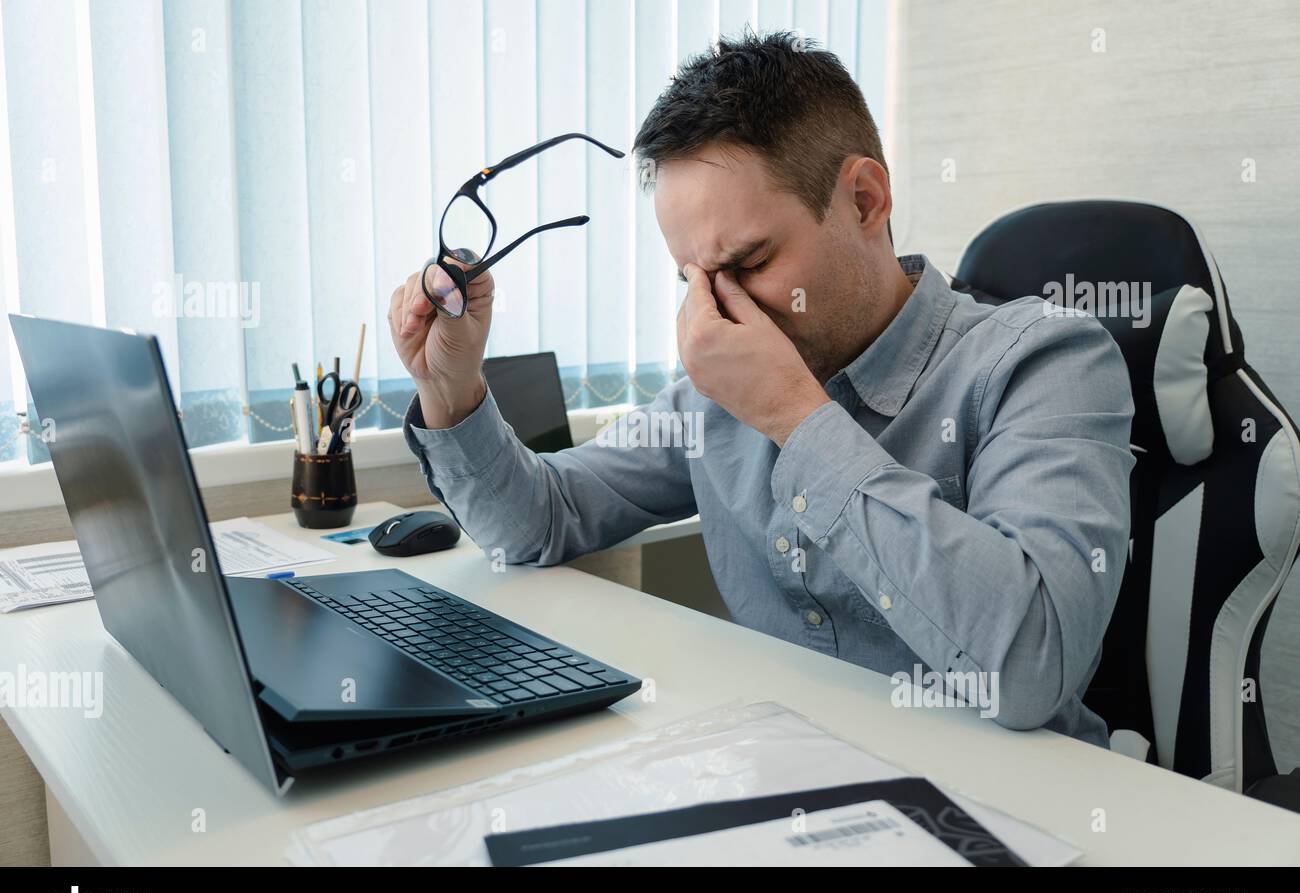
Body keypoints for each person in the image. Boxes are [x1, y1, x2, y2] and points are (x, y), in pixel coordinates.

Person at [387, 32, 1134, 746]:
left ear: (866, 200)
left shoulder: (1048, 359)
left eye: (748, 262)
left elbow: (1034, 663)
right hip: (786, 785)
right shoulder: (715, 393)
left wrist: (792, 416)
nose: (712, 313)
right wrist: (452, 389)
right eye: (691, 279)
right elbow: (540, 522)